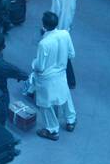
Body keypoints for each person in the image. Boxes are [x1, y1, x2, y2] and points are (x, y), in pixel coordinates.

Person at [31, 10, 76, 140]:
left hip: (46, 78)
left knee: (46, 104)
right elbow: (71, 54)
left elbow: (39, 66)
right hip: (61, 73)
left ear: (43, 25)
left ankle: (52, 130)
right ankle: (71, 121)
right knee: (65, 96)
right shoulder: (65, 34)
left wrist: (33, 63)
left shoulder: (43, 43)